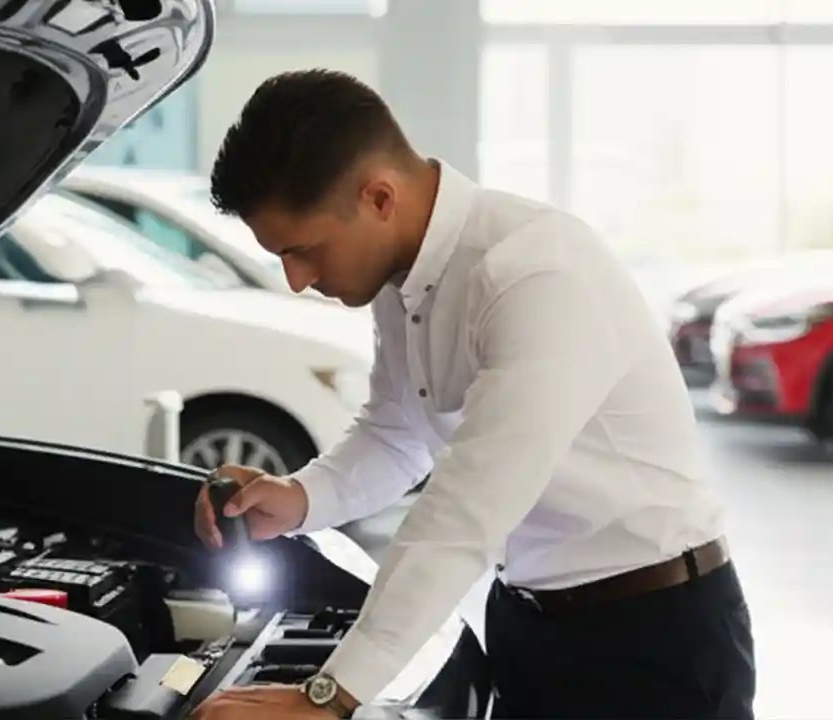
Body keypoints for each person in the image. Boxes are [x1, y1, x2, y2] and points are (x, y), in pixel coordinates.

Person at [191, 69, 755, 720]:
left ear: (379, 197)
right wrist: (299, 497)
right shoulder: (399, 282)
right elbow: (395, 433)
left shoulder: (534, 273)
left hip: (651, 639)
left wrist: (328, 695)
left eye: (305, 250)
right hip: (527, 622)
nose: (295, 280)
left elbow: (468, 507)